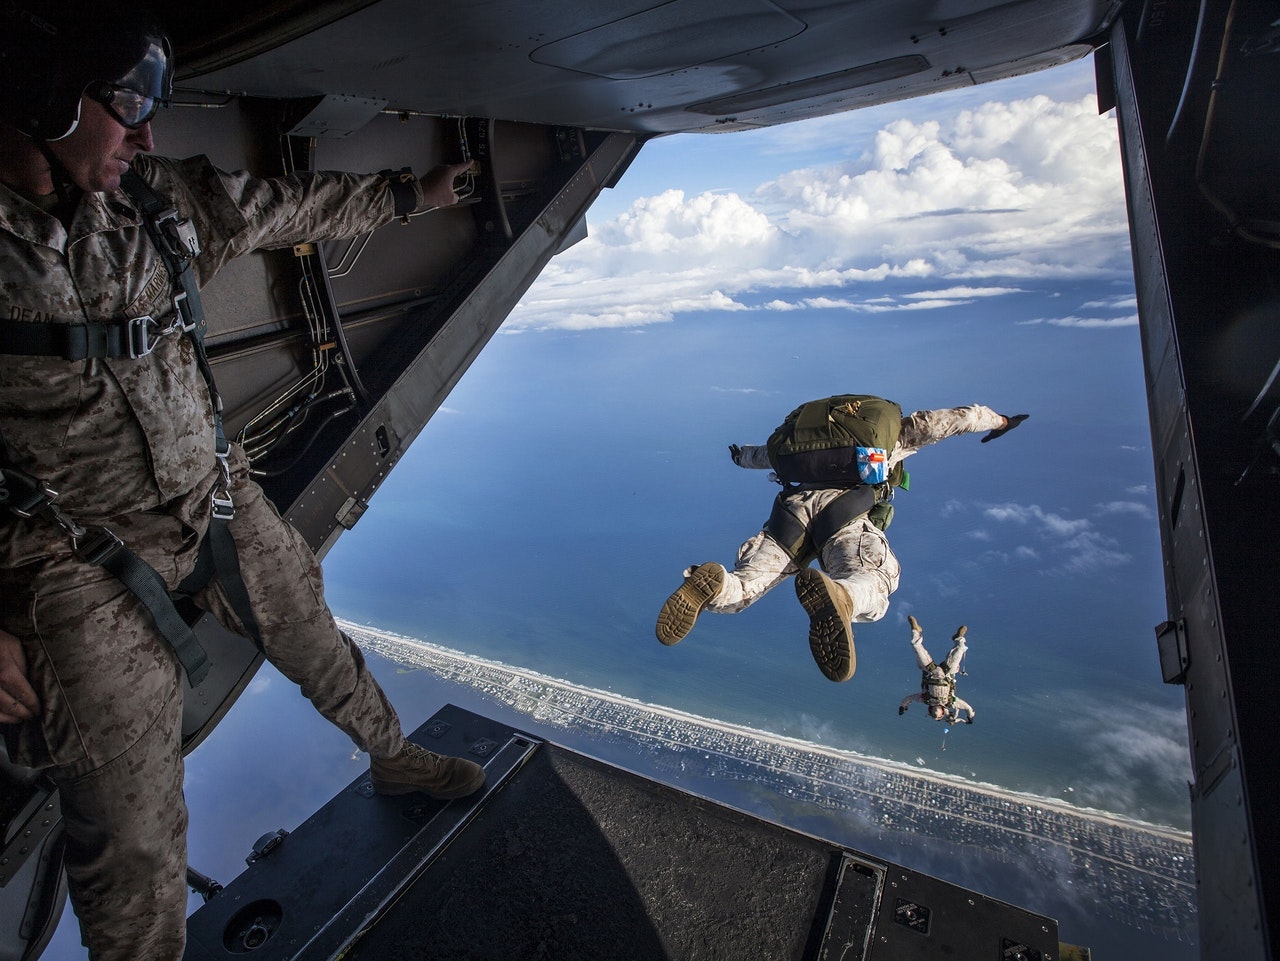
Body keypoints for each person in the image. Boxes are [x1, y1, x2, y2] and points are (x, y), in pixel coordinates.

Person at [0, 12, 483, 960]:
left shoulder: (152, 201)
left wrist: (409, 194)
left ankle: (393, 760)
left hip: (210, 493)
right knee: (130, 826)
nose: (146, 134)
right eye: (129, 106)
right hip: (65, 553)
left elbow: (286, 206)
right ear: (47, 100)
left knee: (311, 630)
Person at [656, 401, 1027, 682]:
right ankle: (845, 598)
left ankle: (720, 584)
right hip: (844, 511)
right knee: (875, 581)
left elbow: (759, 456)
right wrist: (1001, 422)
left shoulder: (801, 447)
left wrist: (739, 456)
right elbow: (955, 420)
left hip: (791, 513)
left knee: (745, 587)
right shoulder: (894, 435)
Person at [897, 615, 974, 724]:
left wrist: (903, 707)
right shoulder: (951, 702)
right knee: (960, 649)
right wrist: (970, 717)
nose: (935, 712)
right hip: (947, 672)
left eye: (933, 713)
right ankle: (959, 637)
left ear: (930, 710)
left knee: (916, 646)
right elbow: (967, 707)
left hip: (931, 671)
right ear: (942, 712)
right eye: (937, 714)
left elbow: (908, 698)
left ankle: (915, 630)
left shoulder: (924, 698)